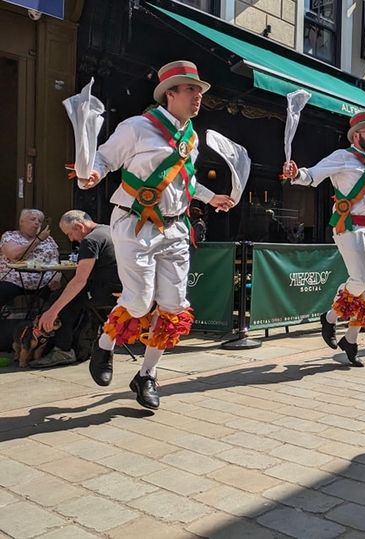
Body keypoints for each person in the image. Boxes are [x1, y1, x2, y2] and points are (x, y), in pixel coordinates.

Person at [78, 60, 235, 409]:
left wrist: (212, 198)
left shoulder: (190, 137)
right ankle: (103, 346)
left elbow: (186, 181)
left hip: (176, 226)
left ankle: (147, 375)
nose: (198, 97)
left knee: (174, 307)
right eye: (191, 90)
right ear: (170, 94)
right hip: (134, 222)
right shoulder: (137, 127)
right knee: (137, 301)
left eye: (199, 91)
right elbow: (104, 158)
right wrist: (94, 175)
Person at [282, 111, 365, 367]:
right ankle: (329, 318)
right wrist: (296, 173)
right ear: (356, 134)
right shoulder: (342, 157)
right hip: (350, 227)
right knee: (360, 280)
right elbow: (313, 175)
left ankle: (350, 339)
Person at [31, 211, 121, 368]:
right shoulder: (110, 230)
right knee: (65, 296)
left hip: (105, 293)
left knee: (61, 300)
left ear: (80, 226)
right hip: (121, 291)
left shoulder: (91, 240)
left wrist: (52, 311)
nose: (70, 239)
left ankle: (63, 350)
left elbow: (79, 280)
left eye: (70, 233)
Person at [0, 209, 61, 310]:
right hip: (14, 281)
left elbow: (56, 262)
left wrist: (56, 278)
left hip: (44, 283)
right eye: (33, 219)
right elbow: (15, 256)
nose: (37, 222)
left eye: (40, 221)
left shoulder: (49, 239)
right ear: (21, 222)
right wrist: (38, 240)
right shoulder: (10, 236)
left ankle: (50, 323)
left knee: (62, 298)